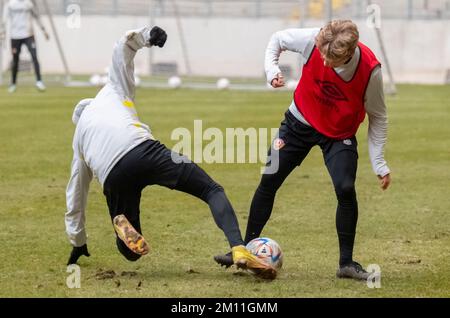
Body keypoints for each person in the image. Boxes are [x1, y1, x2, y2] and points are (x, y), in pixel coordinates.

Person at [65, 26, 276, 280]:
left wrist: (77, 239)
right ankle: (239, 247)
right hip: (143, 149)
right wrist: (148, 35)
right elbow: (122, 49)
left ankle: (124, 231)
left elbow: (76, 193)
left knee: (131, 254)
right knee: (211, 189)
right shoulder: (110, 92)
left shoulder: (79, 140)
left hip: (113, 175)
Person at [214, 20, 391, 280]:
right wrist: (271, 69)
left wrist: (379, 162)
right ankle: (242, 250)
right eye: (322, 55)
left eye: (333, 60)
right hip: (299, 122)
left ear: (350, 52)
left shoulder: (370, 70)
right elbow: (277, 39)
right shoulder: (314, 39)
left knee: (345, 188)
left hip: (338, 133)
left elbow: (378, 117)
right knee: (269, 180)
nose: (325, 62)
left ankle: (346, 264)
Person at [1, 0, 49, 93]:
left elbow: (37, 17)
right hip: (15, 36)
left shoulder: (29, 3)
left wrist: (43, 30)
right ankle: (13, 84)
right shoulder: (10, 4)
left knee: (34, 57)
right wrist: (3, 33)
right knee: (15, 60)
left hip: (28, 34)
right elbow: (4, 20)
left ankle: (39, 81)